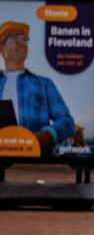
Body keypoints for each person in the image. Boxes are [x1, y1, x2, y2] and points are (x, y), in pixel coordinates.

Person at [0, 21, 75, 155]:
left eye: (24, 39)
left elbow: (67, 122)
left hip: (34, 155)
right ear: (2, 48)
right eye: (15, 38)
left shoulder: (44, 84)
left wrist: (46, 135)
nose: (22, 42)